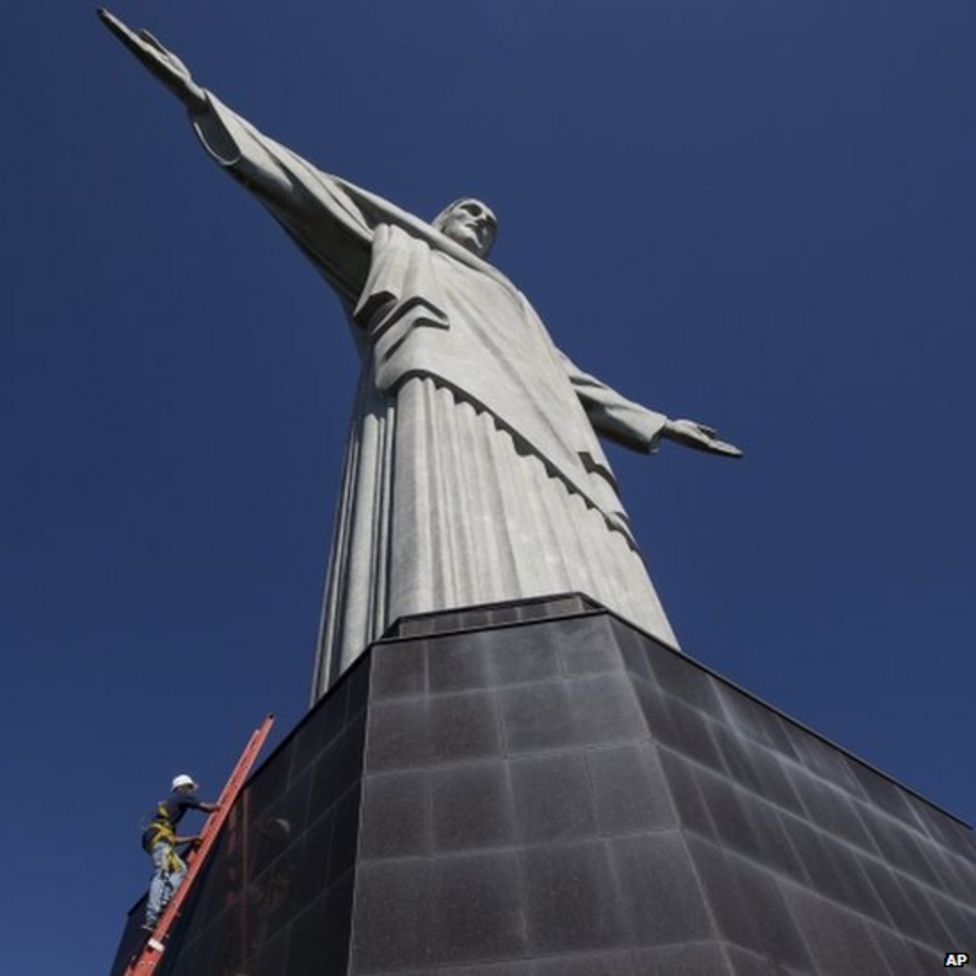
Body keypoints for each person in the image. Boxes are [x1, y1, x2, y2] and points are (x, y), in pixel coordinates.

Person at [98, 11, 743, 698]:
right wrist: (199, 100)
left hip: (554, 425)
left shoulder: (515, 301)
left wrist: (661, 422)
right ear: (440, 219)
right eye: (470, 211)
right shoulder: (399, 243)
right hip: (441, 382)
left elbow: (573, 378)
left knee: (589, 542)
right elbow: (305, 190)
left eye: (490, 223)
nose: (481, 223)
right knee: (441, 535)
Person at [141, 773, 219, 932]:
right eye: (190, 788)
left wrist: (192, 839)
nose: (191, 791)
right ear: (183, 787)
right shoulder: (181, 796)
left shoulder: (170, 813)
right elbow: (205, 807)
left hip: (159, 840)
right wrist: (221, 807)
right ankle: (152, 916)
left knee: (180, 869)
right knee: (161, 872)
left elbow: (173, 840)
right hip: (159, 840)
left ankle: (164, 902)